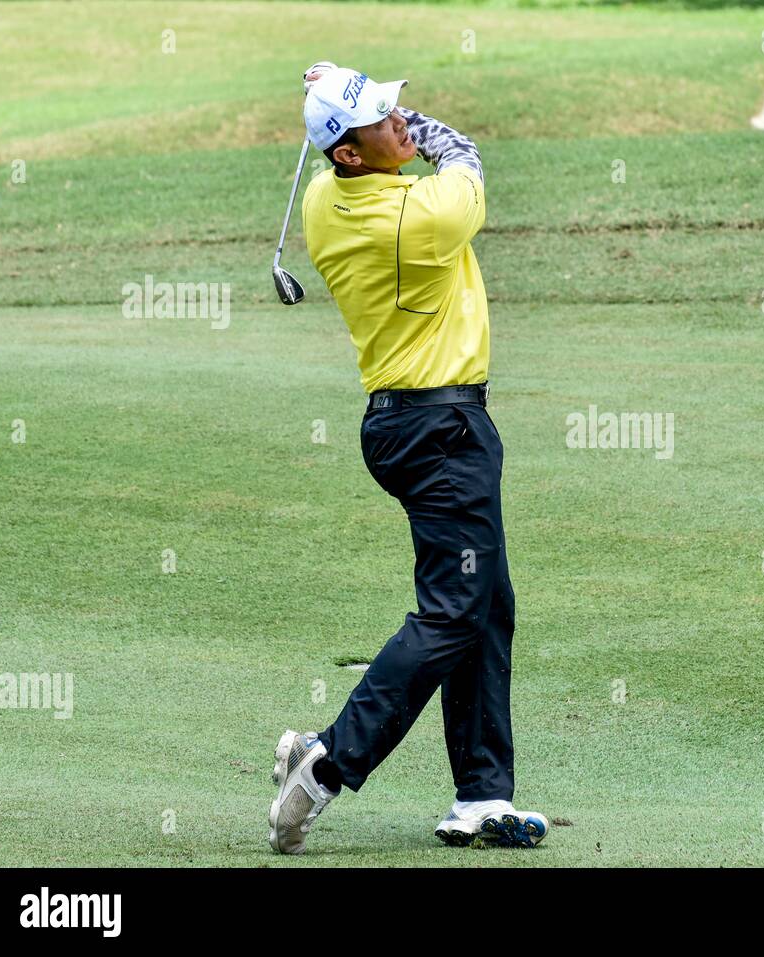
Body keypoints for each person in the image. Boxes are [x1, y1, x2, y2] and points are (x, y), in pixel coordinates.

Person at [267, 63, 546, 854]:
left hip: (406, 425)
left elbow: (388, 144)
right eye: (381, 121)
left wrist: (345, 102)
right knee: (457, 607)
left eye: (393, 110)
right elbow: (459, 151)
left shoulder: (325, 201)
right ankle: (327, 764)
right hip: (444, 432)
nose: (400, 125)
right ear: (349, 154)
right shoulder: (420, 216)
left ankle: (482, 795)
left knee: (486, 601)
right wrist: (375, 107)